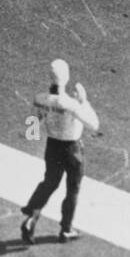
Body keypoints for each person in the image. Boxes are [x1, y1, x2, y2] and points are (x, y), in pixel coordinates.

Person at [20, 59, 100, 244]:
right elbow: (94, 124)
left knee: (50, 183)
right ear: (67, 78)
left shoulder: (40, 99)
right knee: (72, 189)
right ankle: (66, 229)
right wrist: (84, 101)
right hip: (72, 149)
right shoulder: (70, 103)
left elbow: (31, 129)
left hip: (52, 146)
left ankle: (32, 215)